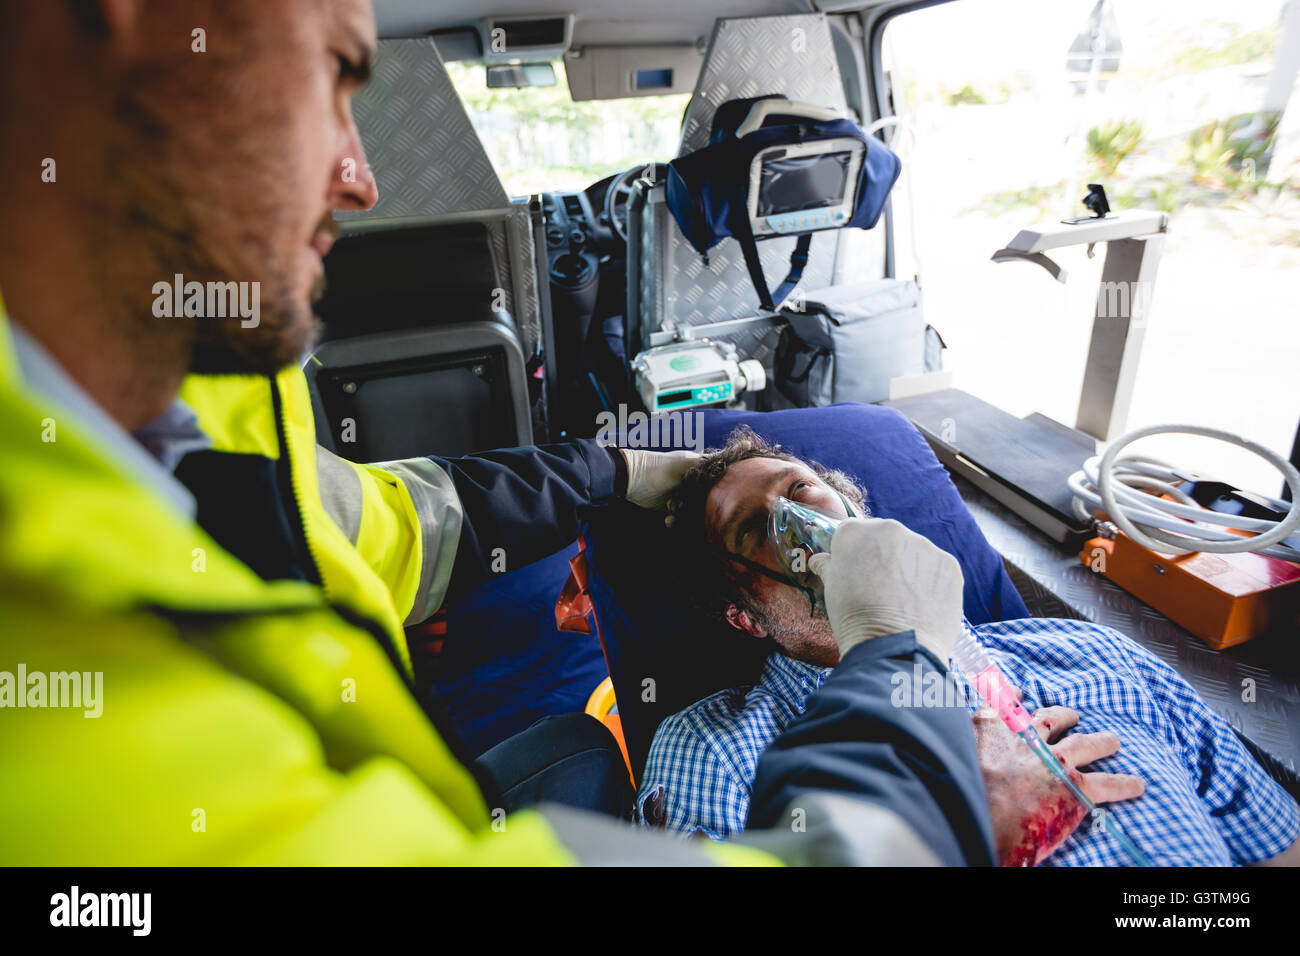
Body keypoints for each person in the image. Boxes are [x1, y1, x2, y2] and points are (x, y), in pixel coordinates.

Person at [0, 0, 1062, 866]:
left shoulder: (198, 409)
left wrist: (611, 466)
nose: (363, 181)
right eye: (333, 68)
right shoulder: (56, 708)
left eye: (804, 493)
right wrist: (913, 721)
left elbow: (397, 521)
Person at [637, 426, 1300, 866]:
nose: (802, 530)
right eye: (754, 529)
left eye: (799, 490)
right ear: (746, 618)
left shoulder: (1094, 654)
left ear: (861, 512)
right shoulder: (719, 754)